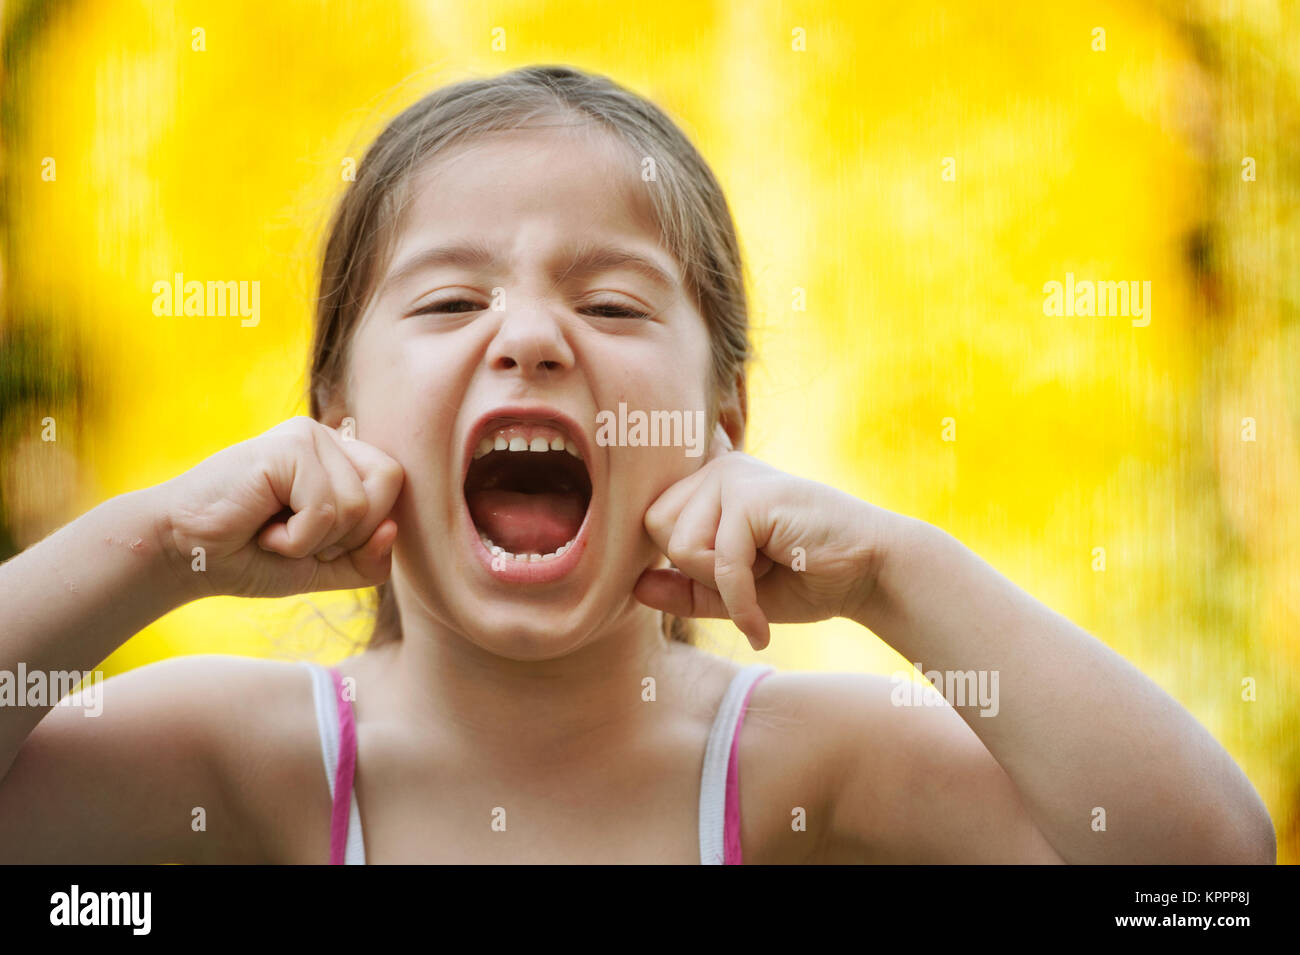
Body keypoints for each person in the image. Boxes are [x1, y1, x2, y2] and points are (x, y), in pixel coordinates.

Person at [0, 66, 1275, 864]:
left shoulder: (795, 763)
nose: (533, 337)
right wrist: (153, 546)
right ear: (335, 414)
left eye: (613, 308)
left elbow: (1204, 866)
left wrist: (897, 571)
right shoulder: (249, 756)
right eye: (448, 306)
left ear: (724, 416)